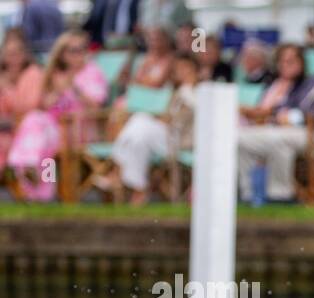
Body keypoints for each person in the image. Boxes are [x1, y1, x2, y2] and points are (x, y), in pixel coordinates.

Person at [239, 39, 314, 204]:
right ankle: (250, 193)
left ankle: (280, 194)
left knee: (277, 140)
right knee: (242, 139)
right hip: (294, 129)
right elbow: (292, 99)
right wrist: (279, 112)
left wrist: (297, 116)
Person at [8, 30, 107, 202]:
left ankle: (33, 177)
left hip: (79, 130)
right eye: (73, 50)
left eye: (82, 49)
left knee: (39, 128)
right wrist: (58, 92)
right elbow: (45, 104)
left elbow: (97, 105)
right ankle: (38, 183)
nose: (79, 54)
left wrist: (74, 88)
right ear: (62, 54)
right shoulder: (55, 75)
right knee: (37, 124)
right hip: (53, 129)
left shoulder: (92, 73)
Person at [105, 51, 196, 204]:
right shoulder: (174, 91)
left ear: (194, 70)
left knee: (140, 121)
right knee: (138, 135)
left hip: (182, 142)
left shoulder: (199, 91)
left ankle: (118, 170)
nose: (181, 72)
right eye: (178, 68)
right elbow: (167, 117)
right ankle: (138, 188)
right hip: (165, 137)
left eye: (185, 68)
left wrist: (188, 87)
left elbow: (188, 114)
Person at [0, 28, 43, 180]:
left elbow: (29, 108)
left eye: (17, 53)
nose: (13, 59)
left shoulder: (33, 74)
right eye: (9, 53)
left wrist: (8, 88)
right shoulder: (2, 75)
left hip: (29, 131)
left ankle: (29, 177)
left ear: (25, 54)